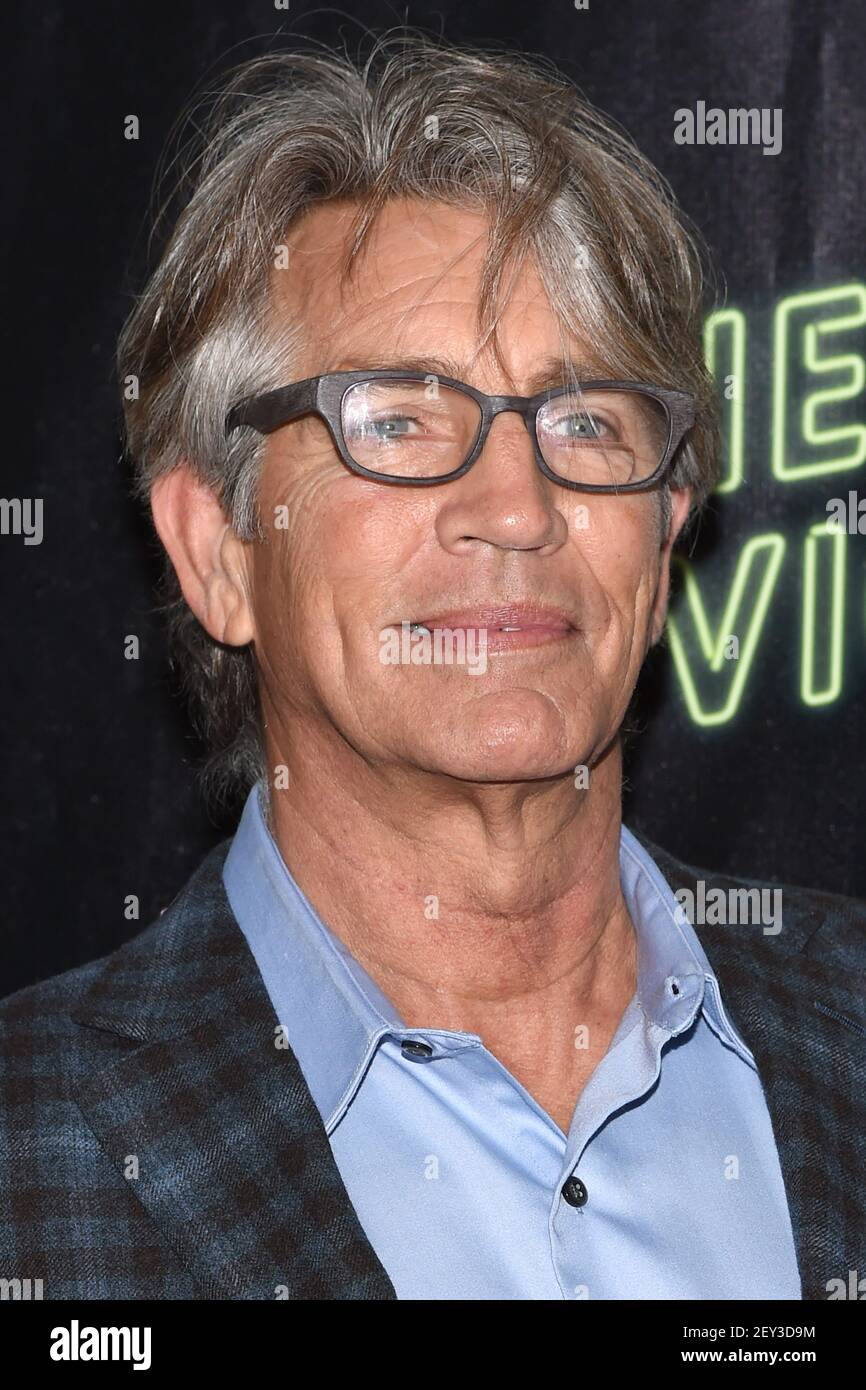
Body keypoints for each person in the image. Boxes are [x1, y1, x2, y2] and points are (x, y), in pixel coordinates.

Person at [1, 30, 863, 1302]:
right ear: (217, 549)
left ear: (665, 533)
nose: (514, 506)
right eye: (397, 420)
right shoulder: (30, 1158)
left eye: (584, 420)